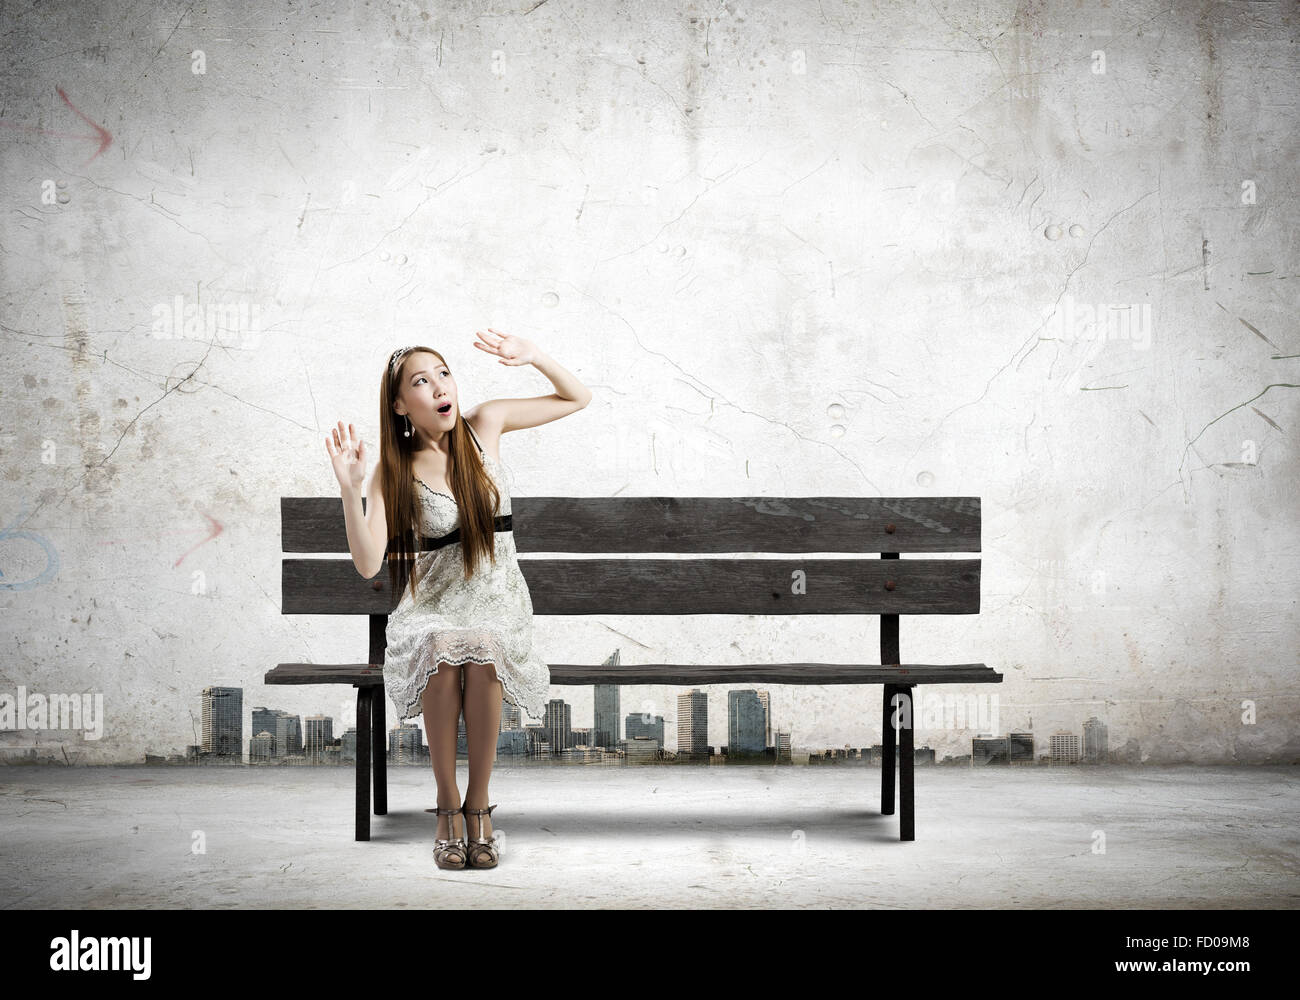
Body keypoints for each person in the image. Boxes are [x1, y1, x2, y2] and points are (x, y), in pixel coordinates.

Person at [325, 328, 592, 869]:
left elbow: (576, 397)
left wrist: (535, 355)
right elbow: (368, 564)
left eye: (443, 374)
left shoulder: (486, 425)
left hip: (498, 600)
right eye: (420, 382)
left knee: (483, 642)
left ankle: (478, 807)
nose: (439, 386)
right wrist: (351, 489)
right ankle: (447, 804)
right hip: (435, 607)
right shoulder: (393, 471)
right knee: (448, 644)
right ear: (401, 405)